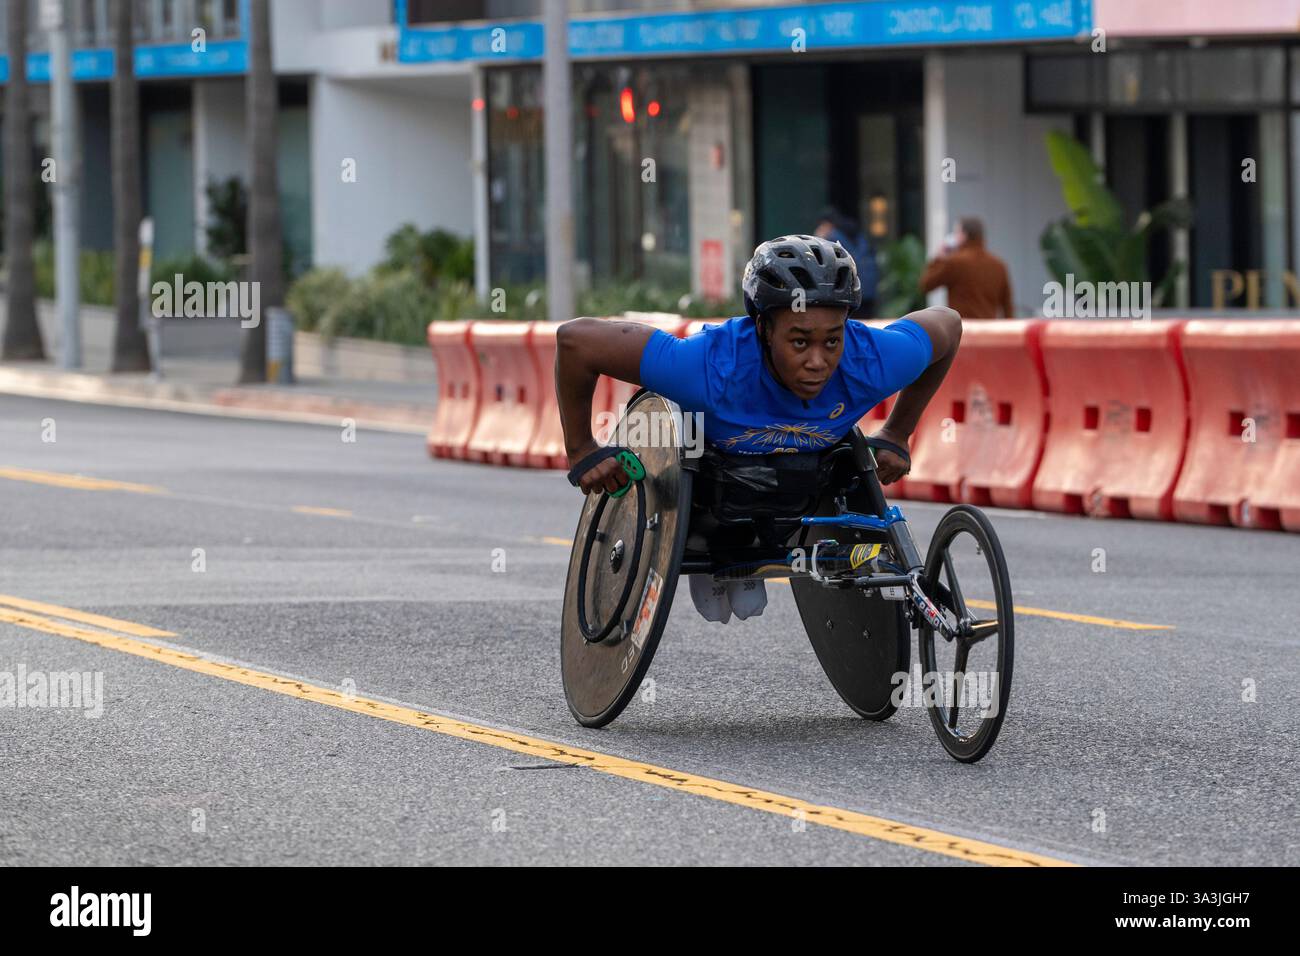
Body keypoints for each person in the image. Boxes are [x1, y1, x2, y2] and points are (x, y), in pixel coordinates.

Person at [555, 234, 962, 623]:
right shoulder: (709, 368)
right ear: (764, 330)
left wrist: (896, 432)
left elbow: (948, 324)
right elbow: (575, 341)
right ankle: (709, 541)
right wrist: (582, 449)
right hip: (706, 488)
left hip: (793, 497)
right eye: (800, 343)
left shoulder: (870, 360)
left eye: (832, 341)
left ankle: (752, 540)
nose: (818, 361)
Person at [919, 217, 1014, 319]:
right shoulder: (999, 265)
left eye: (956, 233)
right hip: (988, 328)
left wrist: (939, 257)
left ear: (963, 235)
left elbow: (926, 284)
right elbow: (1007, 305)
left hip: (963, 328)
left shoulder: (955, 262)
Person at [815, 207, 877, 319]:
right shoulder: (858, 235)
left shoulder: (832, 237)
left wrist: (819, 239)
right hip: (868, 289)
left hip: (848, 292)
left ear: (827, 224)